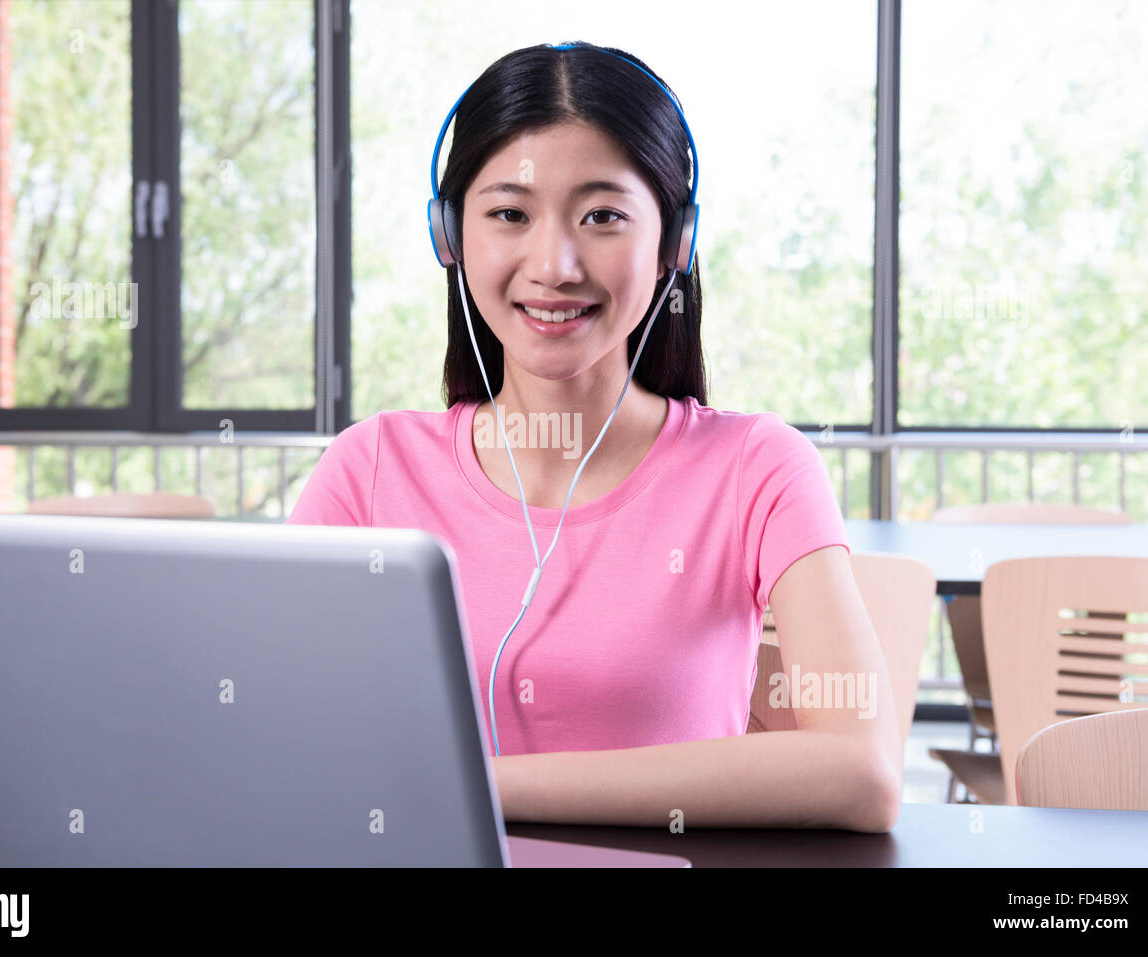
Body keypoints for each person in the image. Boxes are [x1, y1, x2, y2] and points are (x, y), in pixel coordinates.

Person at [287, 41, 902, 832]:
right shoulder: (368, 469)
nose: (555, 264)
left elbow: (864, 771)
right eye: (509, 213)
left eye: (603, 216)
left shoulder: (759, 468)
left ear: (673, 245)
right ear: (450, 236)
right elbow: (277, 738)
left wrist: (481, 787)